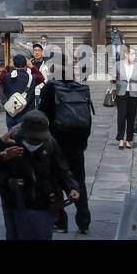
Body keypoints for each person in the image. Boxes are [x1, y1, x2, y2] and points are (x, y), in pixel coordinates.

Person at [0, 110, 78, 240]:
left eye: (39, 139)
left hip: (44, 202)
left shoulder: (50, 143)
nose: (36, 142)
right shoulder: (10, 143)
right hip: (15, 203)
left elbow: (62, 170)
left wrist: (72, 188)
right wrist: (7, 181)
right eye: (32, 138)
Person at [38, 73, 93, 235]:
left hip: (56, 144)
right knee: (79, 182)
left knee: (54, 183)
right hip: (76, 145)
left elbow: (42, 116)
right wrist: (84, 142)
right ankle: (84, 220)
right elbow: (87, 119)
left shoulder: (50, 88)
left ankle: (60, 221)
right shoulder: (80, 88)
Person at [114, 47, 137, 148]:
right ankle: (121, 139)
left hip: (133, 94)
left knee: (131, 118)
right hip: (121, 94)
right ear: (126, 54)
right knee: (121, 116)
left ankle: (129, 139)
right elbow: (112, 76)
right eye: (131, 54)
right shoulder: (118, 64)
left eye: (134, 54)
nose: (133, 56)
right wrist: (114, 80)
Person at [0, 55, 36, 131]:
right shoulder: (32, 78)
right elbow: (41, 77)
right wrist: (32, 67)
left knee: (12, 135)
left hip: (11, 112)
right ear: (26, 64)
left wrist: (7, 67)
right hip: (27, 113)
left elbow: (0, 77)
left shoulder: (6, 77)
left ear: (13, 64)